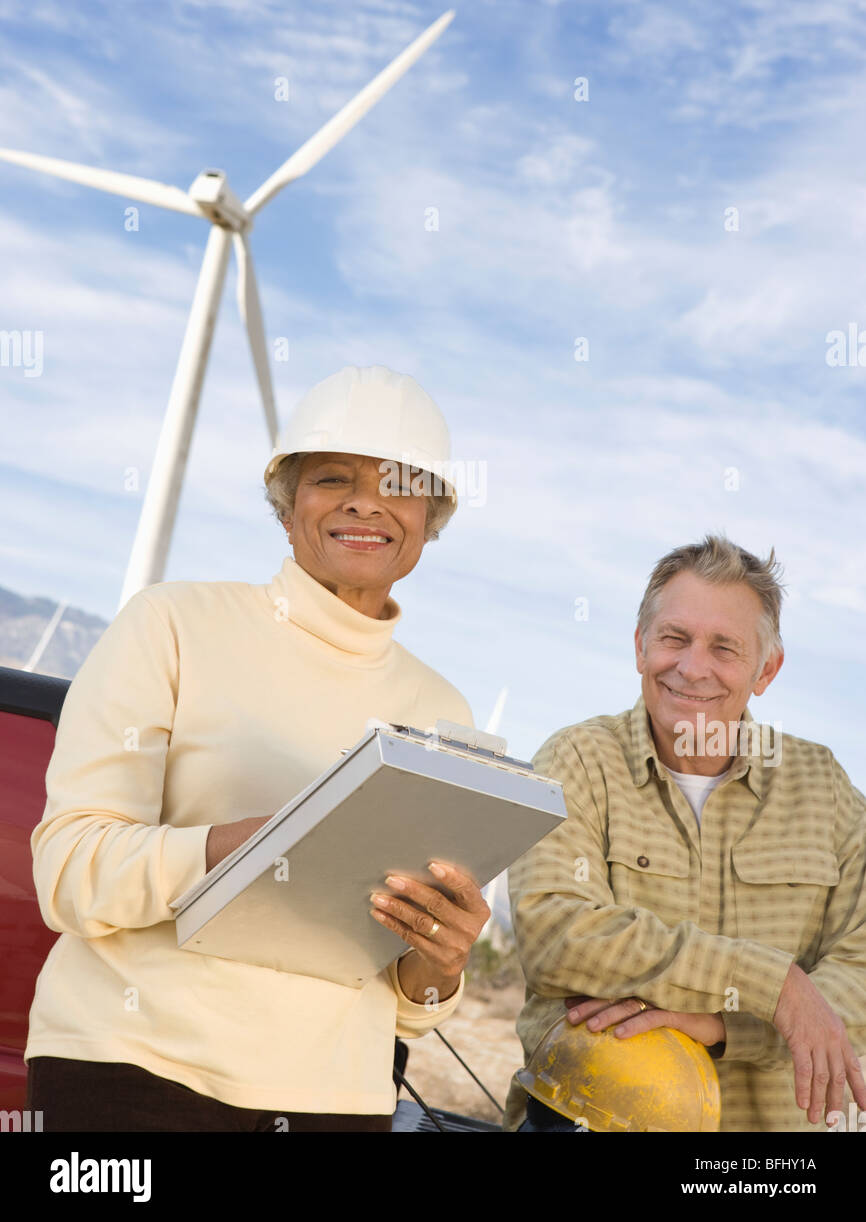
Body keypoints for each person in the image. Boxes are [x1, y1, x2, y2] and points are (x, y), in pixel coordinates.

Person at [25, 363, 489, 1132]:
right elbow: (70, 874)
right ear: (287, 505)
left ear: (431, 517)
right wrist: (236, 849)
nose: (365, 501)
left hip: (335, 1104)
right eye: (332, 477)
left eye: (399, 484)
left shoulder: (442, 711)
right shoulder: (170, 624)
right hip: (131, 1074)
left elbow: (406, 1009)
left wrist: (441, 962)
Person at [505, 534, 866, 1132]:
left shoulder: (822, 784)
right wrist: (775, 986)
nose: (692, 667)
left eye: (724, 648)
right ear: (641, 646)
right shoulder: (578, 759)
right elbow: (555, 934)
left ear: (765, 670)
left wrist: (726, 1027)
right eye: (674, 638)